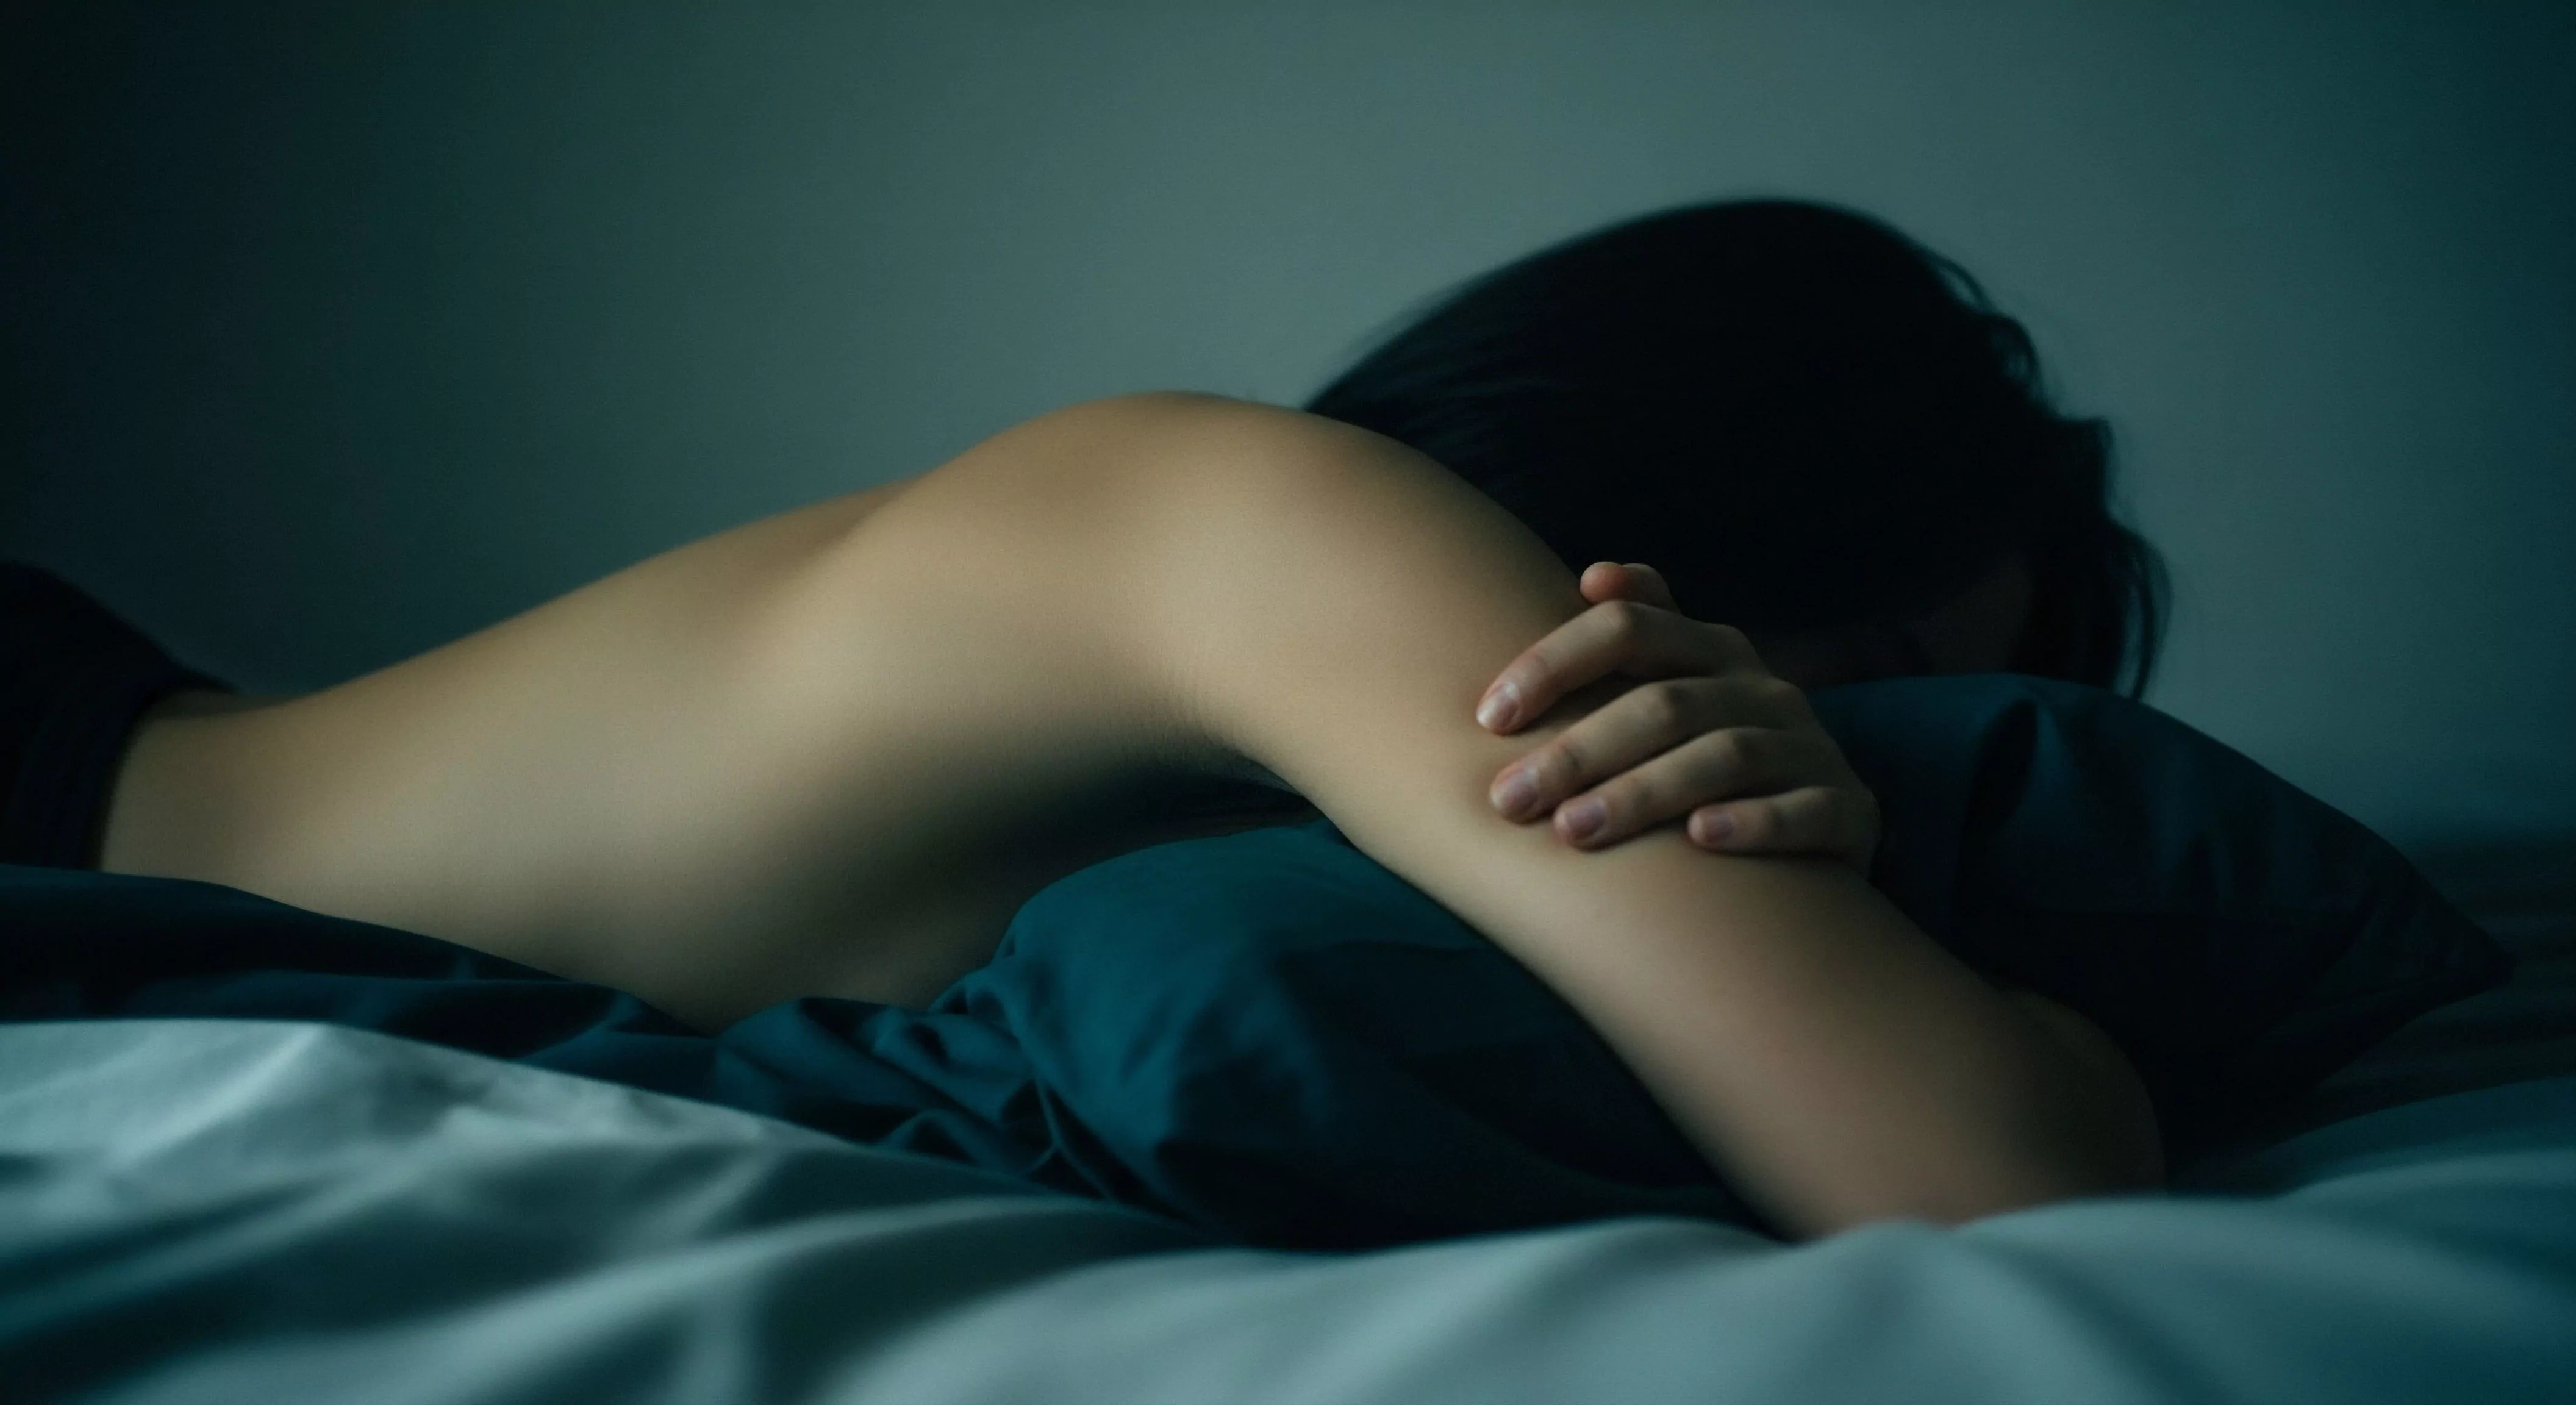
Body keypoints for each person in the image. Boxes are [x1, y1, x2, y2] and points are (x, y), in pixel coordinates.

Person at [45, 199, 2163, 1239]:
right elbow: (1989, 1176)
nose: (1863, 748)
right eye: (1882, 667)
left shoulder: (1296, 789)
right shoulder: (1283, 526)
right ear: (1712, 509)